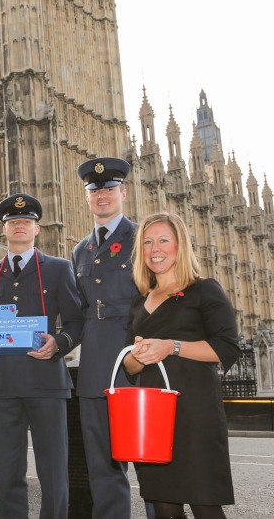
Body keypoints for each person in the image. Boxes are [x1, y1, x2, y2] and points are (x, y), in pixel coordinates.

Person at [0, 194, 82, 519]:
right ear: (4, 230)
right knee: (8, 474)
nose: (19, 226)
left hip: (46, 382)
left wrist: (59, 343)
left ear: (37, 229)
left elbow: (77, 321)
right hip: (2, 386)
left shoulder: (59, 269)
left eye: (26, 221)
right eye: (13, 222)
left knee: (53, 472)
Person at [122, 212, 240, 519]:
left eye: (163, 240)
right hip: (152, 415)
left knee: (205, 505)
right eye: (147, 242)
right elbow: (130, 367)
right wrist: (137, 355)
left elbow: (227, 347)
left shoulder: (204, 289)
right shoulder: (140, 301)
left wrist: (171, 346)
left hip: (195, 410)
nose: (155, 249)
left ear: (180, 245)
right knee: (163, 506)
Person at [72, 156, 140, 518]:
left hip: (136, 361)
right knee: (103, 466)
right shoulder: (80, 250)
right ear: (87, 197)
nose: (102, 195)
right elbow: (77, 313)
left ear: (123, 193)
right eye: (95, 190)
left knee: (150, 461)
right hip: (95, 367)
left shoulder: (142, 238)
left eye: (109, 189)